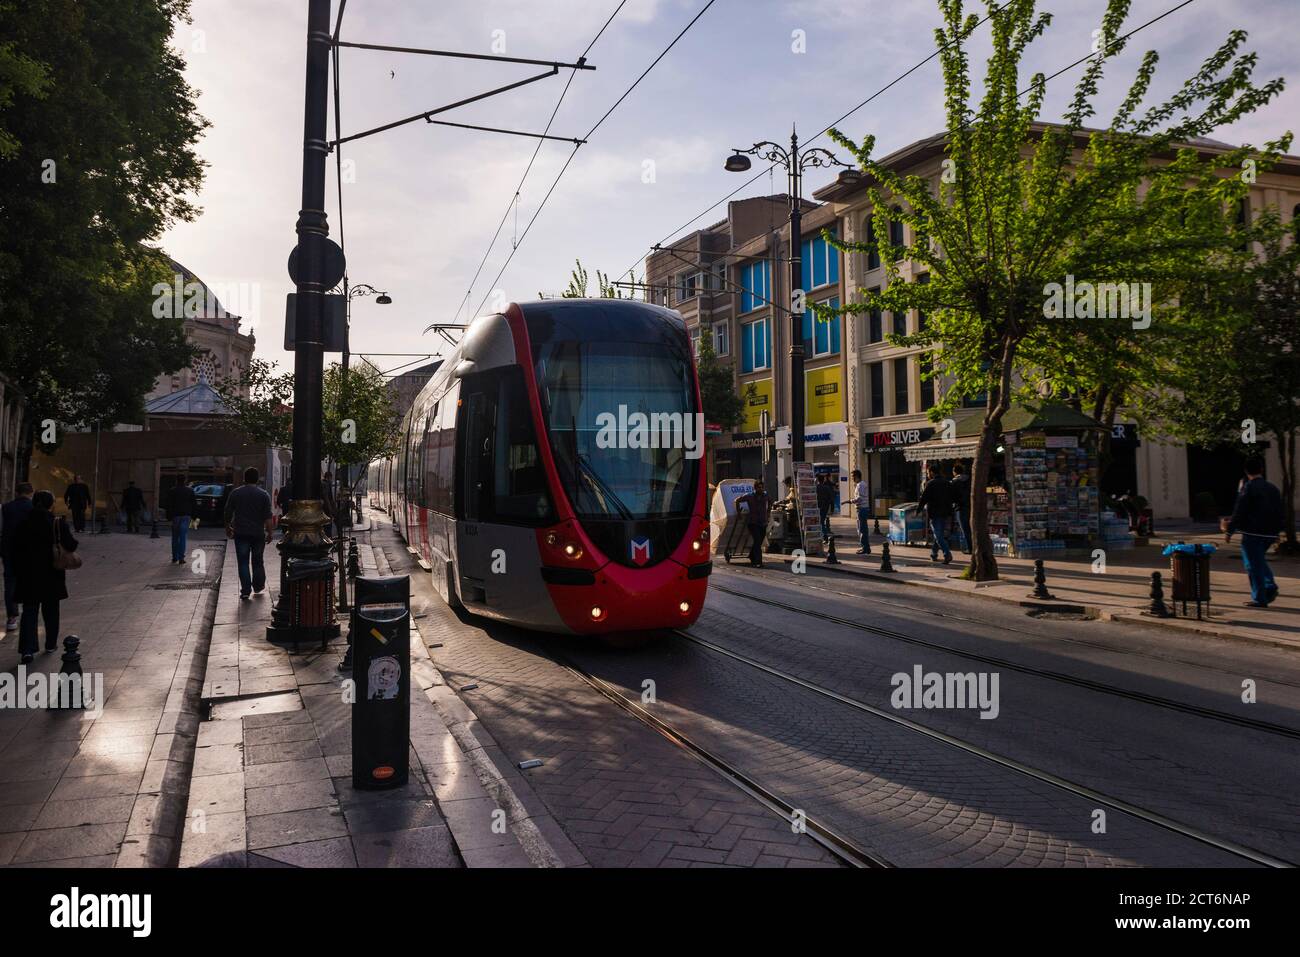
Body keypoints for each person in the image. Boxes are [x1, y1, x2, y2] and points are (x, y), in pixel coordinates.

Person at [13, 490, 78, 663]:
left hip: (28, 575)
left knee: (29, 612)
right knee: (51, 611)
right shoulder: (56, 524)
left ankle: (27, 650)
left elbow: (15, 549)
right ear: (51, 504)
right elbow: (71, 545)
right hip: (51, 574)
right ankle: (50, 644)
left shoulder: (23, 523)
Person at [1224, 454, 1283, 608]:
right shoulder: (1272, 488)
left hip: (1252, 532)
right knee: (1259, 561)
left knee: (1252, 565)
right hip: (1269, 533)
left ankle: (1261, 596)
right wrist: (1276, 532)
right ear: (1261, 469)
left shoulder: (1248, 487)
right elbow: (1280, 511)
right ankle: (1268, 587)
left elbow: (1240, 510)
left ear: (1246, 471)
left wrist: (1229, 530)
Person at [225, 467, 274, 600]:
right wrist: (270, 532)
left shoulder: (236, 493)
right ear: (257, 479)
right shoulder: (264, 495)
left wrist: (228, 527)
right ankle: (258, 586)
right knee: (258, 561)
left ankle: (246, 590)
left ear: (244, 478)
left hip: (241, 533)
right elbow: (268, 517)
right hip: (258, 533)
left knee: (243, 562)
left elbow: (228, 512)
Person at [2, 482, 35, 631]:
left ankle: (11, 617)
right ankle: (28, 613)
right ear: (31, 493)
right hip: (28, 551)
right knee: (29, 581)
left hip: (9, 550)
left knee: (10, 583)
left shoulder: (6, 507)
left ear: (16, 492)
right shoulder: (33, 508)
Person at [918, 464, 955, 564]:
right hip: (947, 512)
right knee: (938, 534)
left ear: (932, 472)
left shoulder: (930, 483)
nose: (928, 474)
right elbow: (953, 497)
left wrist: (919, 509)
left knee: (938, 535)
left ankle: (947, 553)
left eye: (928, 473)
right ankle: (934, 554)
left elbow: (924, 498)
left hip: (935, 513)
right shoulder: (947, 483)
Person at [735, 480, 771, 568]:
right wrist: (739, 513)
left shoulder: (765, 495)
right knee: (757, 540)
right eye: (759, 487)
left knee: (758, 542)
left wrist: (768, 511)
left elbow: (770, 501)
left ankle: (751, 555)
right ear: (755, 488)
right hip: (753, 523)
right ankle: (758, 562)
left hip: (763, 522)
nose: (761, 489)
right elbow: (737, 500)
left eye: (762, 487)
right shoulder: (749, 496)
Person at [166, 476, 197, 564]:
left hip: (175, 516)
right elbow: (194, 504)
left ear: (177, 481)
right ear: (185, 481)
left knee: (175, 537)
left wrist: (168, 516)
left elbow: (168, 504)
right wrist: (195, 516)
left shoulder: (172, 490)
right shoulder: (190, 491)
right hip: (186, 516)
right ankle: (181, 558)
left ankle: (174, 557)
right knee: (183, 537)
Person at [949, 463, 973, 554]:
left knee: (964, 528)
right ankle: (972, 546)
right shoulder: (969, 479)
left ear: (954, 472)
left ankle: (970, 548)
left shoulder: (954, 482)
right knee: (969, 528)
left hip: (960, 507)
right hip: (970, 506)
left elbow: (952, 495)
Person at [851, 468, 872, 555]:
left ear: (856, 476)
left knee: (862, 529)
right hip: (863, 508)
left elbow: (859, 498)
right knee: (862, 528)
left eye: (852, 476)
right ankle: (865, 547)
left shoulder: (860, 485)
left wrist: (851, 501)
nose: (852, 478)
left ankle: (865, 548)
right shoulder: (861, 484)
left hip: (861, 509)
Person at [816, 474, 834, 542]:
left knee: (820, 522)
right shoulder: (827, 488)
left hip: (818, 507)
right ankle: (824, 535)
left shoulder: (816, 487)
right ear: (823, 480)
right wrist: (832, 508)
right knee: (822, 521)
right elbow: (831, 498)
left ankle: (825, 536)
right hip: (825, 507)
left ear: (818, 480)